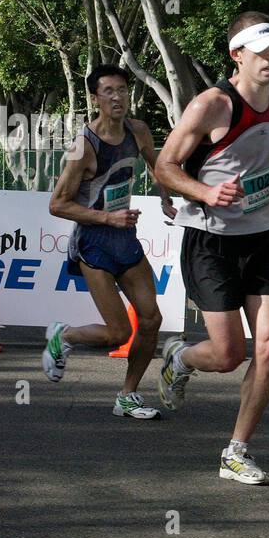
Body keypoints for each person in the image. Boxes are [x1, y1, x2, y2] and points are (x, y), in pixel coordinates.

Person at [153, 12, 269, 485]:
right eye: (260, 51)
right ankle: (181, 358)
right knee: (227, 355)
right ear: (237, 55)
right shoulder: (211, 105)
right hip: (212, 241)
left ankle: (236, 452)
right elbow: (165, 167)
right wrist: (206, 192)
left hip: (266, 238)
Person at [42, 64, 176, 419]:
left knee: (151, 320)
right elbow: (57, 205)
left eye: (122, 90)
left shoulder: (138, 130)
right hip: (94, 244)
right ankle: (64, 336)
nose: (118, 98)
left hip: (125, 239)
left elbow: (158, 166)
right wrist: (107, 217)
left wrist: (165, 196)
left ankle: (127, 396)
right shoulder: (83, 146)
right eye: (109, 92)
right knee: (118, 332)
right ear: (95, 99)